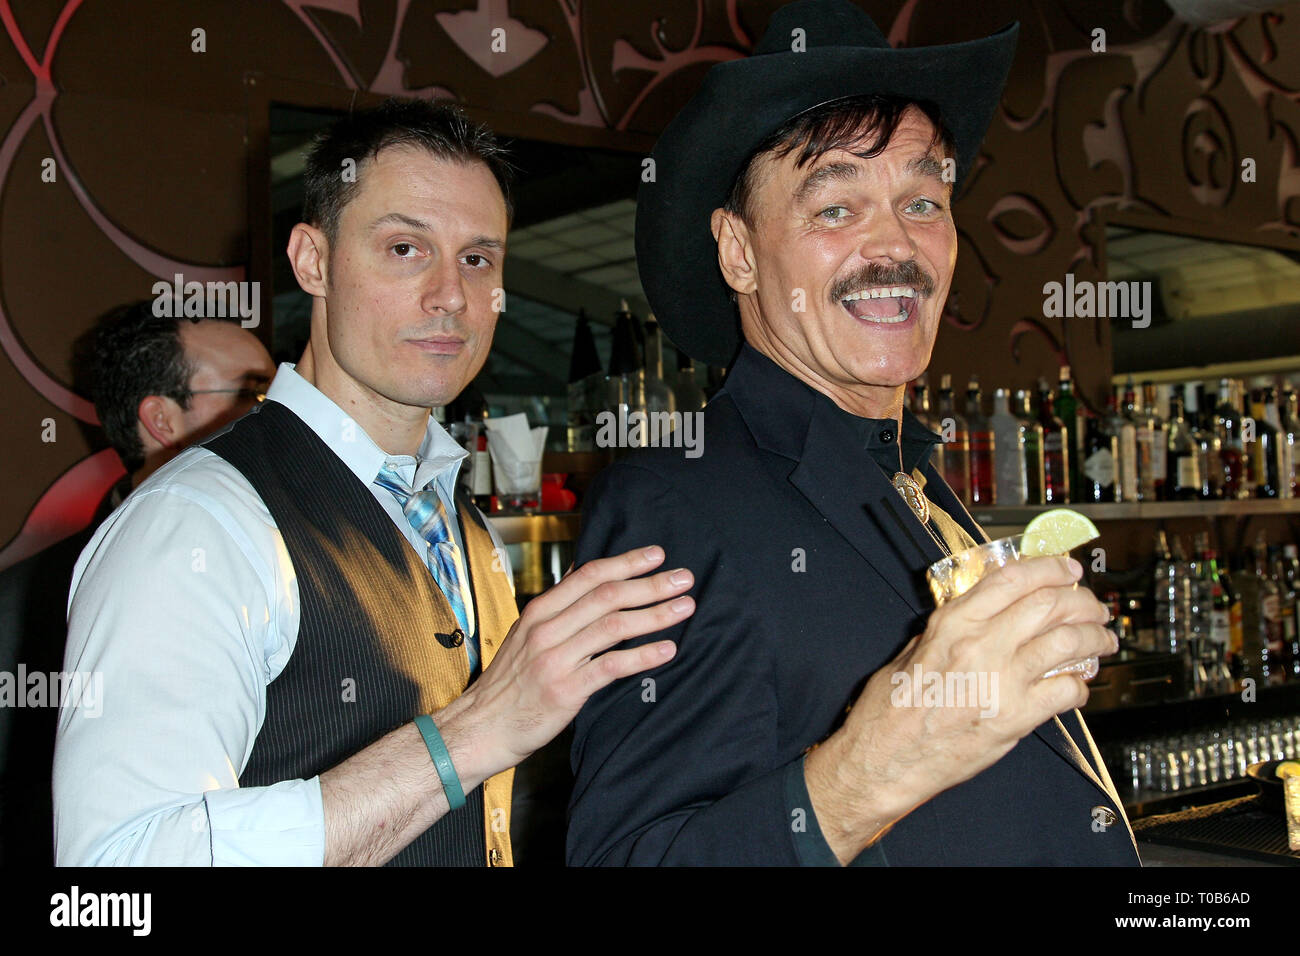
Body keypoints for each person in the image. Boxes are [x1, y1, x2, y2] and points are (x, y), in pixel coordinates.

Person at [566, 0, 1137, 866]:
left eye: (922, 200)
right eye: (835, 208)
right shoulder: (671, 501)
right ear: (739, 254)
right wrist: (873, 769)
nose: (894, 246)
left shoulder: (919, 480)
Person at [53, 99, 693, 866]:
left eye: (478, 259)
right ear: (312, 260)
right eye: (403, 248)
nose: (451, 295)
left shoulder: (461, 519)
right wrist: (472, 733)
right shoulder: (195, 523)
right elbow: (115, 877)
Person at [0, 304, 273, 865]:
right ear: (163, 420)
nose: (280, 417)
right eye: (253, 395)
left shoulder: (297, 555)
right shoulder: (24, 607)